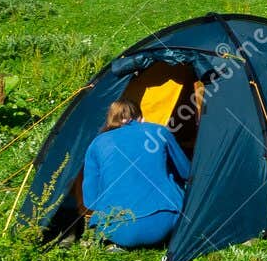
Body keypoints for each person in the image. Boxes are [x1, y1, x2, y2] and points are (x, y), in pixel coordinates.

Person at [81, 100, 191, 248]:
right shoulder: (159, 131)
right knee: (173, 181)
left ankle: (116, 245)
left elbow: (90, 200)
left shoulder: (97, 143)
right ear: (141, 118)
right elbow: (187, 172)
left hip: (113, 229)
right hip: (163, 221)